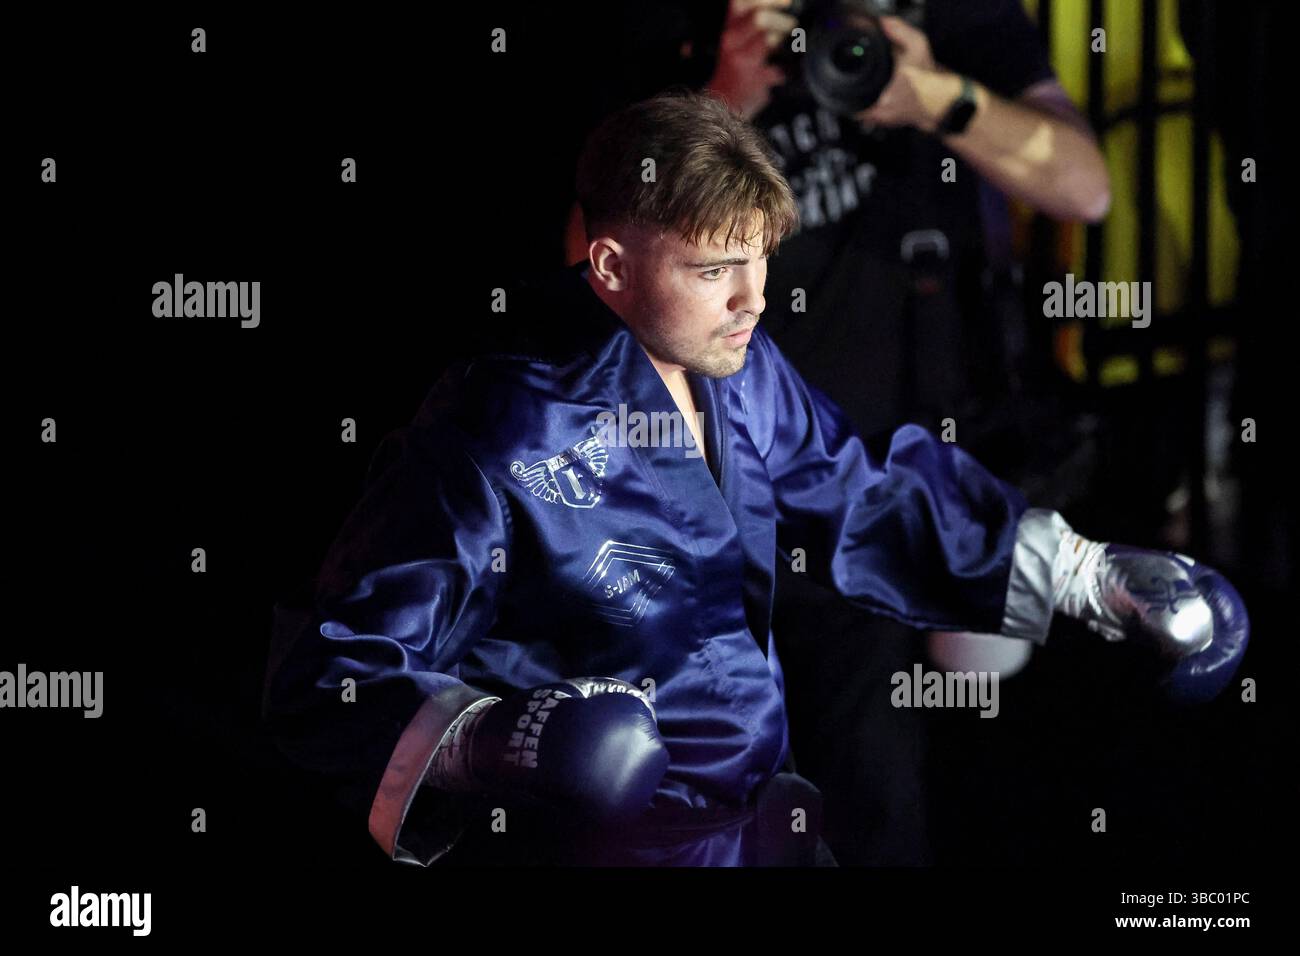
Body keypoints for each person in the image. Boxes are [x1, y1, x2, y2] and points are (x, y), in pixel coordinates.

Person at [262, 91, 1245, 867]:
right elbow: (327, 680)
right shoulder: (500, 430)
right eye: (715, 269)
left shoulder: (736, 363)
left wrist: (1082, 572)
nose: (752, 301)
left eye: (762, 262)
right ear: (607, 263)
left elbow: (858, 499)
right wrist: (490, 741)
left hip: (754, 826)